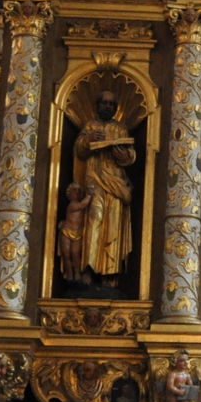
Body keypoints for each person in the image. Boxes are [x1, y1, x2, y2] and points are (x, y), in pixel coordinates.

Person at [73, 92, 136, 284]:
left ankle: (109, 274)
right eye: (104, 103)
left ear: (115, 108)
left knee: (113, 222)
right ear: (97, 105)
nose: (107, 106)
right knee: (95, 216)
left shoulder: (120, 128)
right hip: (94, 178)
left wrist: (123, 156)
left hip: (116, 181)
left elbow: (131, 155)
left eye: (111, 104)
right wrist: (89, 139)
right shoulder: (90, 125)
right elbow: (79, 150)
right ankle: (88, 269)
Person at [57, 183, 91, 282]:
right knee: (66, 254)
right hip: (66, 231)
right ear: (69, 193)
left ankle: (77, 273)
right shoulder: (72, 205)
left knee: (75, 253)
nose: (77, 192)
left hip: (78, 232)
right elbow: (82, 205)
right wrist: (89, 195)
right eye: (74, 190)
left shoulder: (83, 207)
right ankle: (70, 273)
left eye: (79, 190)